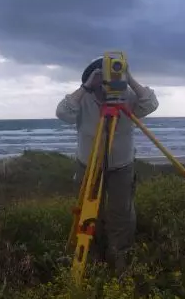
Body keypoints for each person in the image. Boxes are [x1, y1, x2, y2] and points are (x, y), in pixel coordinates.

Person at [56, 56, 159, 275]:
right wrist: (86, 86)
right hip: (89, 164)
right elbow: (62, 113)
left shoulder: (127, 98)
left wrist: (128, 78)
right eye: (101, 80)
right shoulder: (84, 99)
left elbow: (151, 103)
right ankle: (91, 253)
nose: (106, 86)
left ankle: (120, 254)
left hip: (121, 165)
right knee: (89, 211)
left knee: (121, 211)